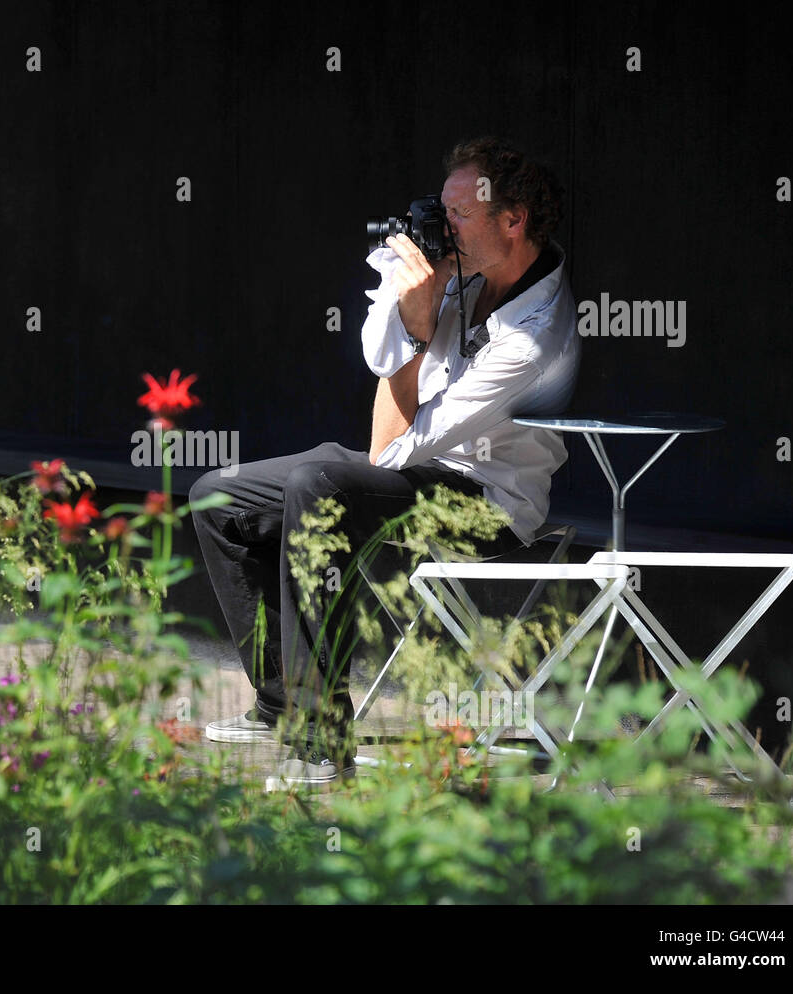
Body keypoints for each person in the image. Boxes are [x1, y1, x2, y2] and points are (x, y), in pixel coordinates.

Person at [188, 137, 581, 786]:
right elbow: (378, 350)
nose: (442, 226)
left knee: (323, 482)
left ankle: (320, 744)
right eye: (442, 209)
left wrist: (418, 330)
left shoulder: (534, 338)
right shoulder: (463, 268)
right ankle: (280, 703)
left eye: (459, 214)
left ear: (512, 221)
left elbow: (389, 450)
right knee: (217, 496)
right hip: (421, 469)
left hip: (488, 506)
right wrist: (410, 306)